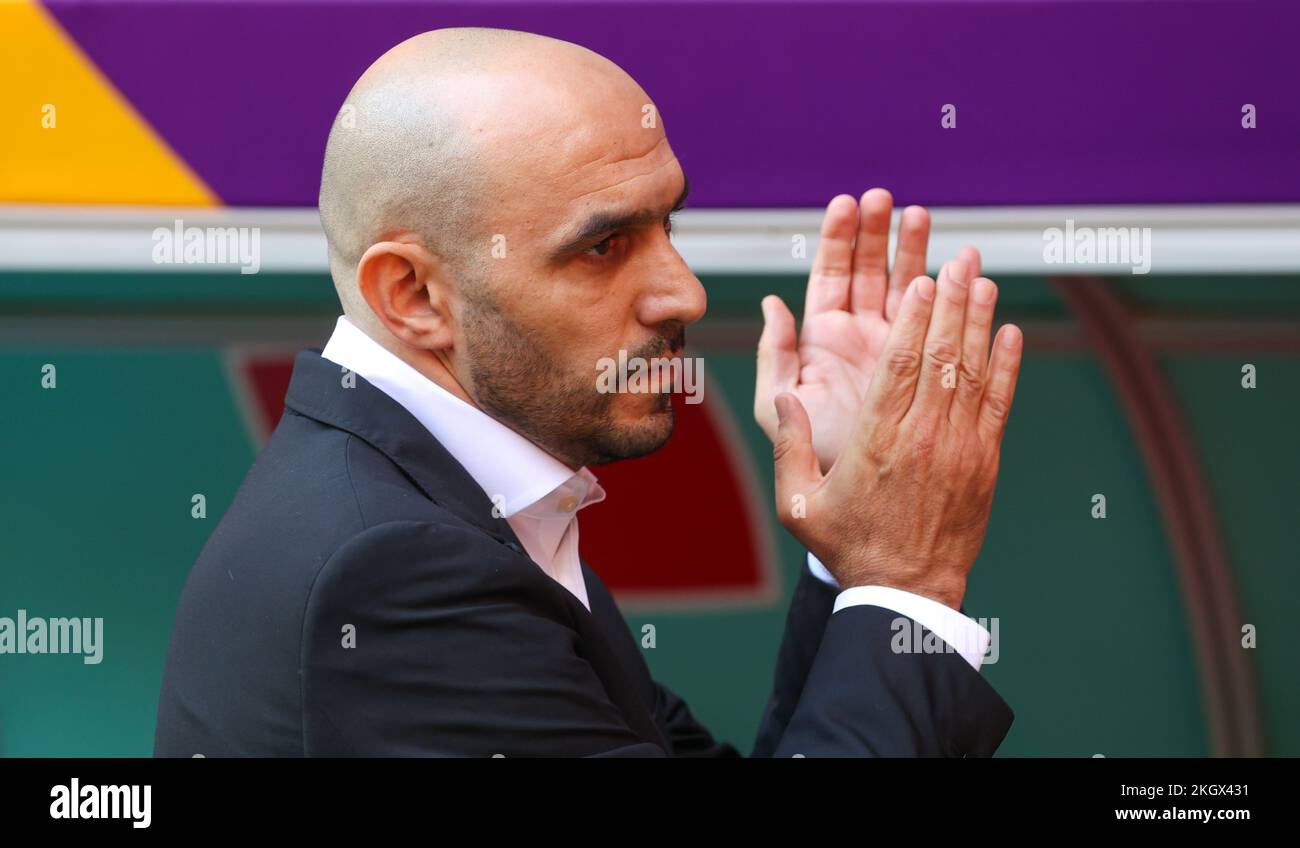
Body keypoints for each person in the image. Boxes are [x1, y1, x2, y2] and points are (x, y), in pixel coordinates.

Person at [154, 27, 1022, 757]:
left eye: (667, 223)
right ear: (414, 297)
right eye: (603, 247)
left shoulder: (458, 513)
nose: (684, 293)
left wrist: (855, 539)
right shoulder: (394, 575)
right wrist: (908, 579)